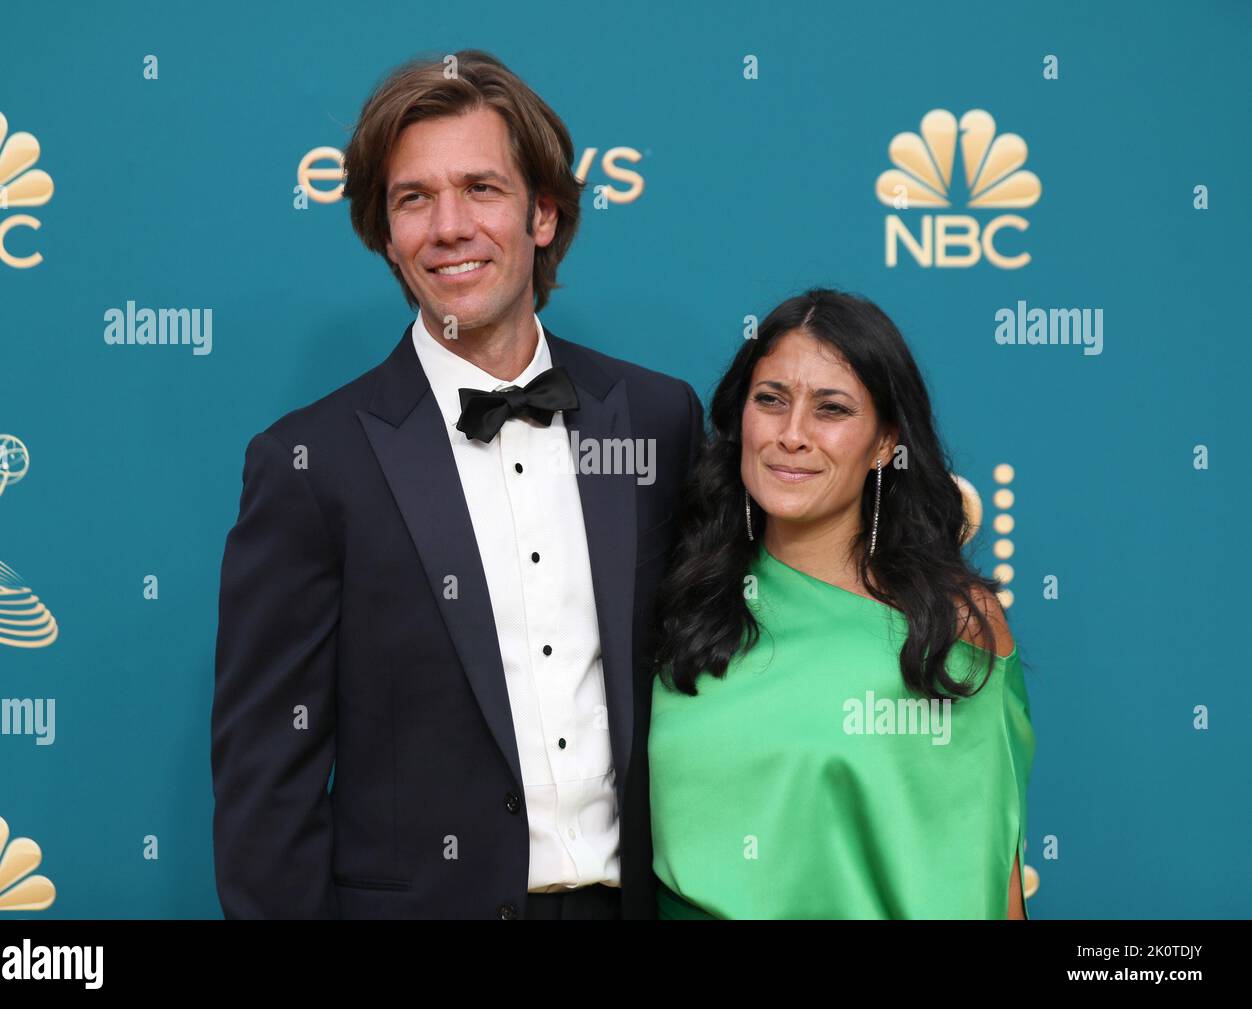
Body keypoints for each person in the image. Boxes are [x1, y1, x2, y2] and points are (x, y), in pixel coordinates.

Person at [211, 49, 702, 919]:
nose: (449, 226)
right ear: (385, 232)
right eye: (414, 198)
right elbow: (265, 785)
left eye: (481, 188)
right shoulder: (310, 463)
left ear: (542, 213)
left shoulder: (655, 420)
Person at [647, 288, 1035, 919]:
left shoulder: (947, 625)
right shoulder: (684, 599)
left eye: (831, 409)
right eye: (770, 401)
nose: (792, 435)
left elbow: (989, 884)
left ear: (885, 442)